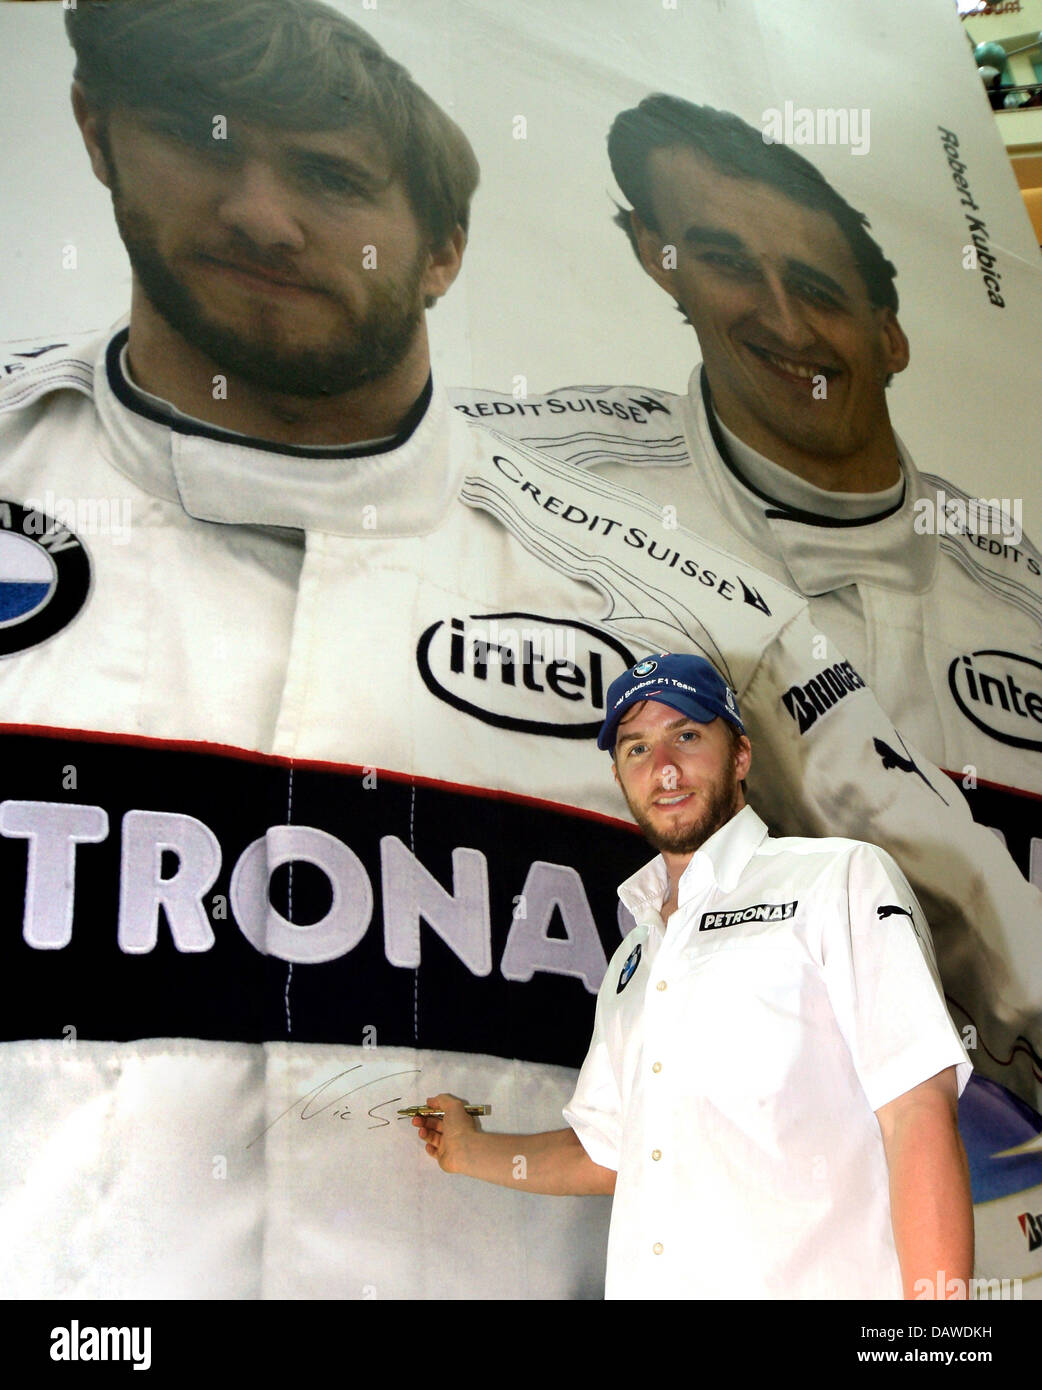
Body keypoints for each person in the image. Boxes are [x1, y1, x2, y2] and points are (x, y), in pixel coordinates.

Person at [0, 3, 1033, 1301]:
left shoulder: (695, 602)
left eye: (326, 175)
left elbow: (988, 954)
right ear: (98, 134)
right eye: (201, 145)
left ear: (444, 249)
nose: (261, 217)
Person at [448, 97, 1042, 1114]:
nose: (779, 317)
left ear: (891, 337)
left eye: (816, 289)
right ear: (657, 258)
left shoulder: (1013, 579)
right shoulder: (523, 473)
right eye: (724, 261)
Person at [415, 653, 974, 1299]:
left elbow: (916, 1111)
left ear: (739, 754)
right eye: (637, 748)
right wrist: (466, 1151)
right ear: (620, 774)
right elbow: (609, 1154)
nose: (665, 768)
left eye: (686, 735)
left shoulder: (837, 877)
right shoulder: (635, 955)